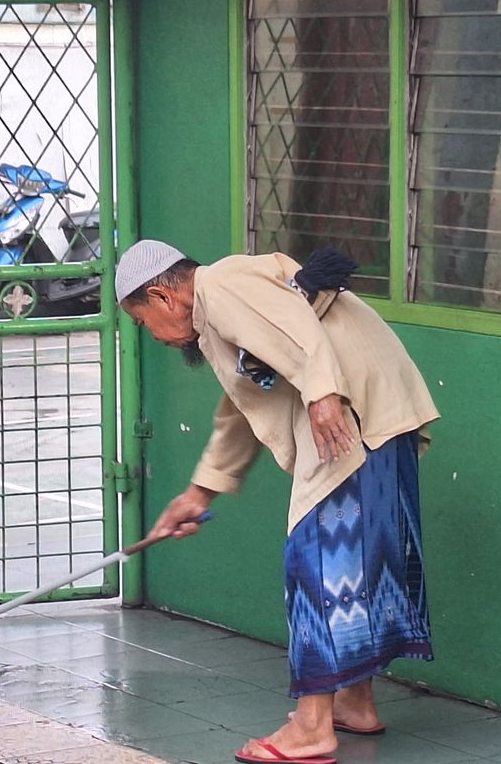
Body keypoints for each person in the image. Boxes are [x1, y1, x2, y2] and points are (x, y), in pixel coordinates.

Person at [115, 240, 440, 764]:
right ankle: (354, 703)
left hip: (352, 411)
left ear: (162, 296)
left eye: (142, 320)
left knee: (316, 564)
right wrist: (198, 494)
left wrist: (323, 395)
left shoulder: (219, 286)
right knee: (359, 562)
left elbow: (299, 327)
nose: (151, 335)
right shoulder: (221, 315)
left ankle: (312, 728)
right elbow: (244, 409)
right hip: (379, 408)